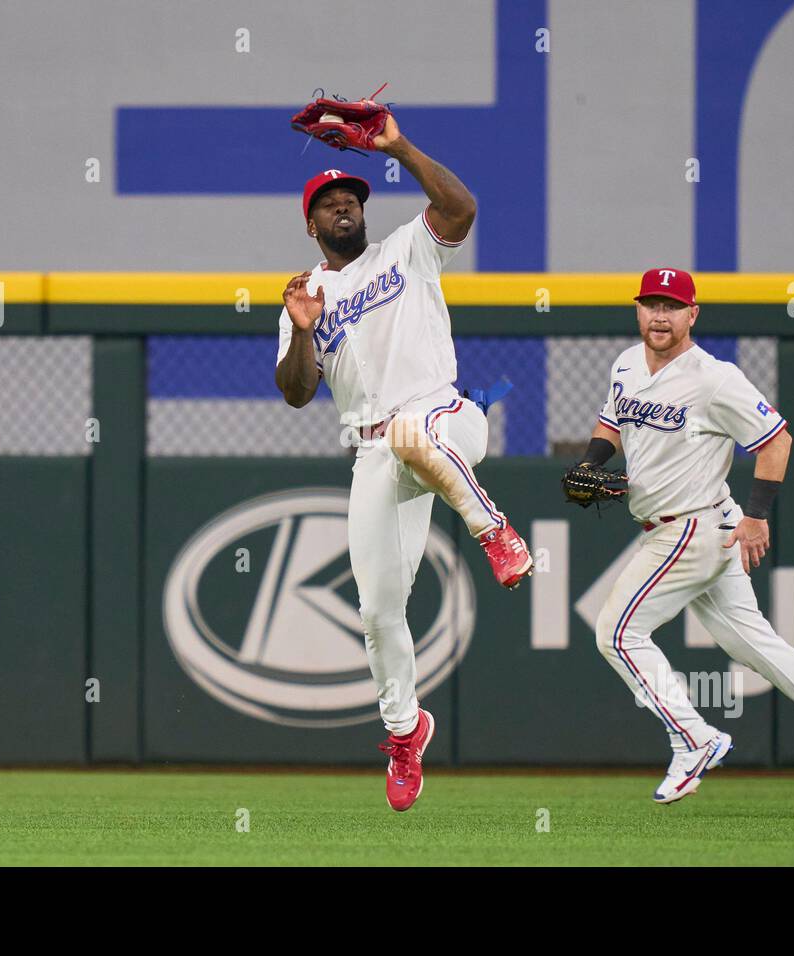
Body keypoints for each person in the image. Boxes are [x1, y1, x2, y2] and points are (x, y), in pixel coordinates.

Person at [274, 109, 532, 811]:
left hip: (447, 417)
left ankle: (493, 531)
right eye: (330, 204)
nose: (343, 208)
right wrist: (302, 334)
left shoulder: (406, 251)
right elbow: (297, 393)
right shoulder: (307, 297)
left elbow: (462, 206)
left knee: (413, 434)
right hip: (373, 452)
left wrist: (396, 146)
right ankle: (405, 730)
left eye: (352, 199)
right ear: (312, 225)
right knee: (376, 611)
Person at [575, 267, 794, 806]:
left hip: (691, 526)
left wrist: (759, 516)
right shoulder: (625, 363)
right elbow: (610, 424)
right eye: (651, 304)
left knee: (616, 634)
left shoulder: (714, 378)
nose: (660, 315)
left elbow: (777, 440)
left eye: (672, 306)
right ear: (638, 310)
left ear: (692, 315)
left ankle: (694, 736)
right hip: (687, 527)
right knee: (756, 645)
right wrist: (589, 463)